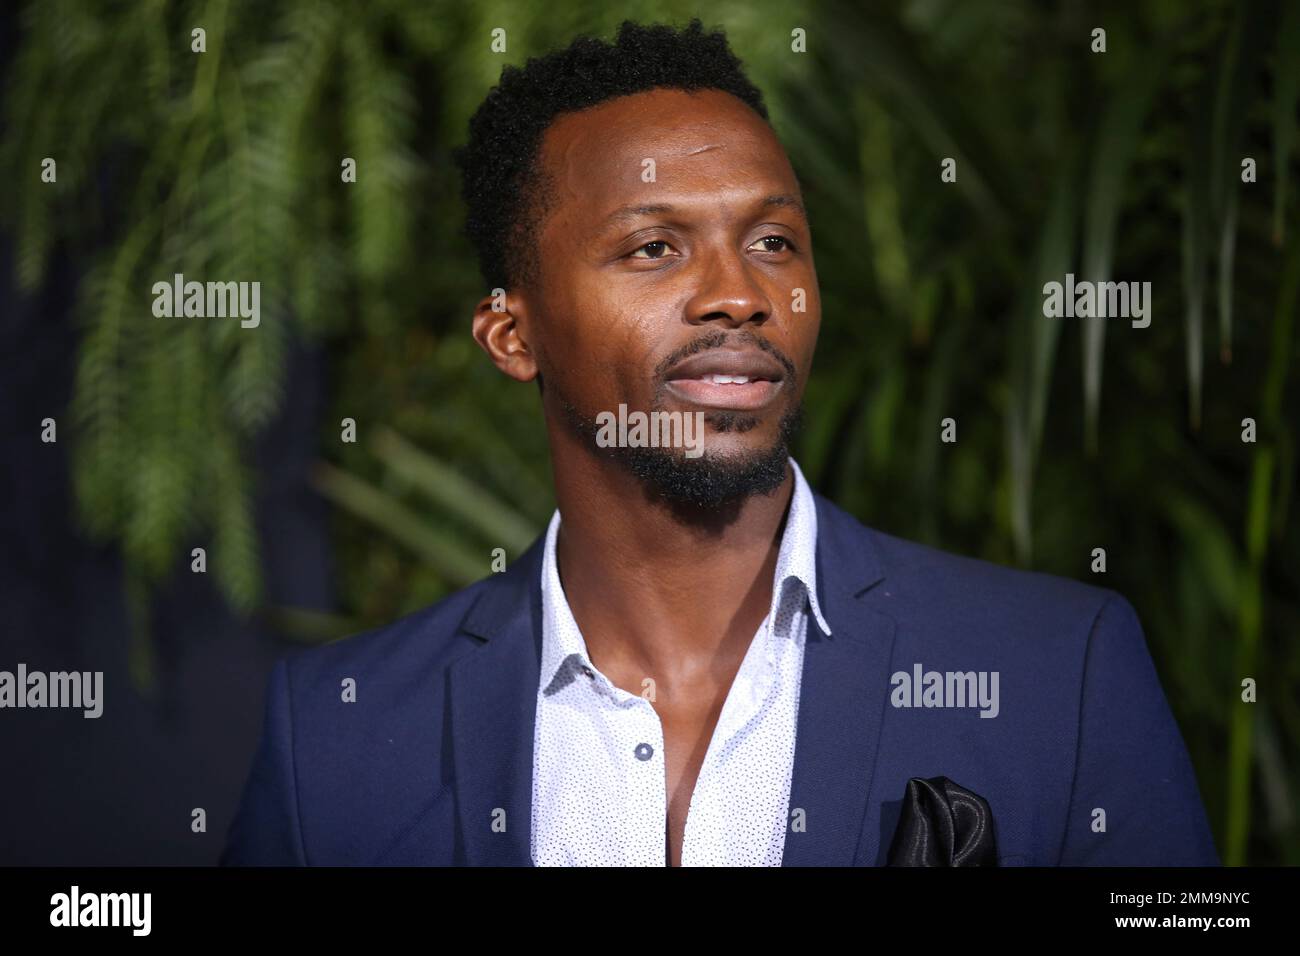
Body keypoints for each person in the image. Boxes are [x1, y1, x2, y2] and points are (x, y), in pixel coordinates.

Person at [221, 18, 1218, 867]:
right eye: (654, 247)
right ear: (513, 335)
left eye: (773, 241)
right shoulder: (338, 734)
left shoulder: (1058, 674)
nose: (739, 291)